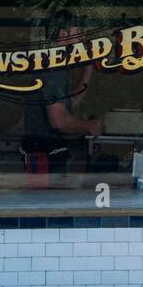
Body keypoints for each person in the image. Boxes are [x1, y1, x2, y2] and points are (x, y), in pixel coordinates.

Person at [20, 19, 101, 175]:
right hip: (44, 153)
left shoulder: (56, 66)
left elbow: (71, 102)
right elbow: (59, 121)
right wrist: (89, 126)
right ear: (64, 34)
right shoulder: (53, 70)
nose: (82, 41)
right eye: (79, 36)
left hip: (45, 151)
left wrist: (88, 68)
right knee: (50, 199)